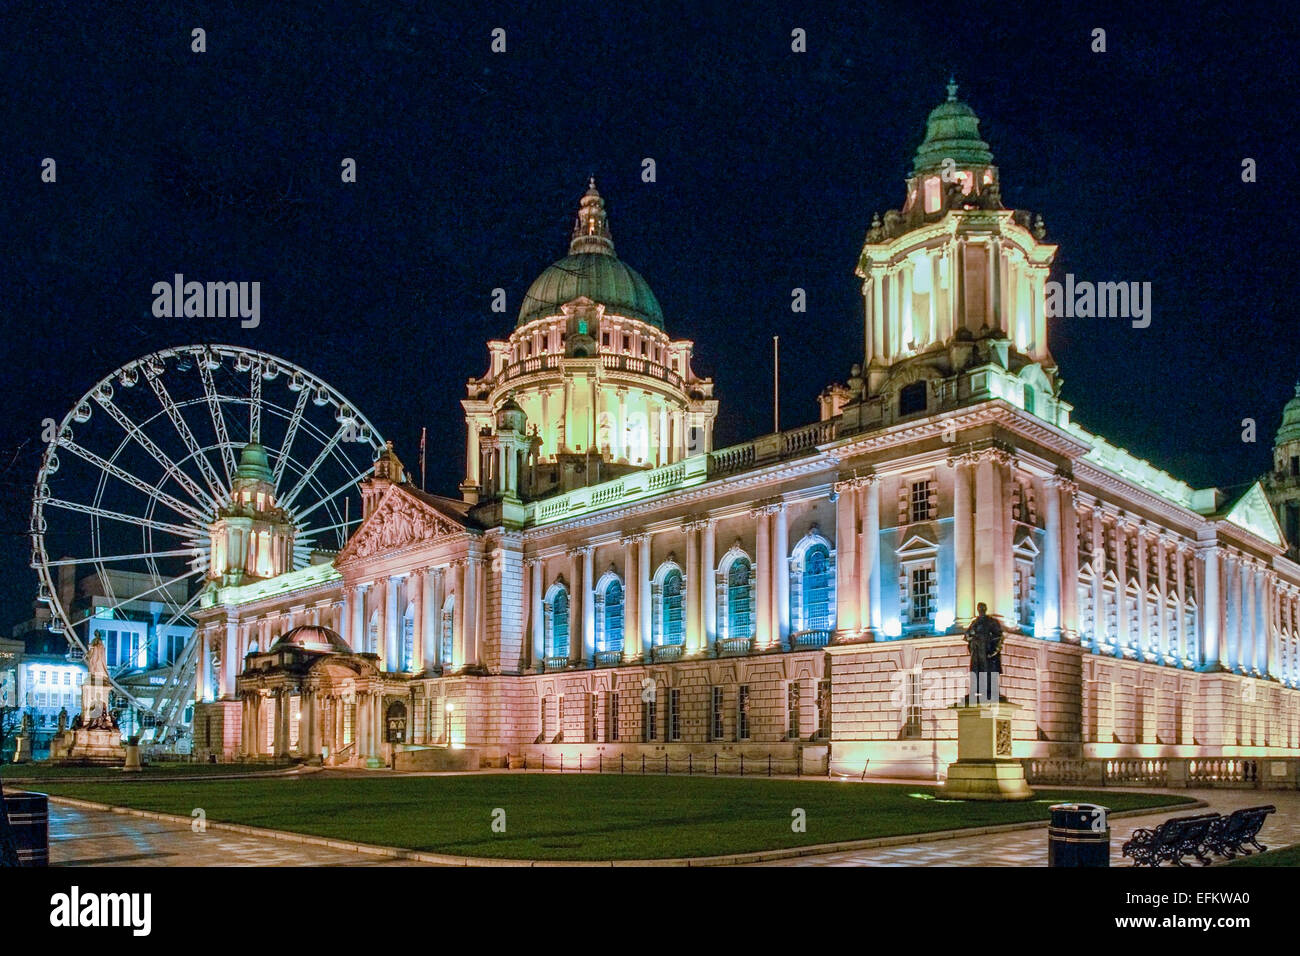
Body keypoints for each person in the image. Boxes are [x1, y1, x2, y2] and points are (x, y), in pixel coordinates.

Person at [964, 602, 1004, 703]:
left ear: (985, 609)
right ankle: (976, 691)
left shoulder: (991, 621)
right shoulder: (975, 622)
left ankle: (990, 691)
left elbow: (999, 636)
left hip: (987, 650)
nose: (981, 610)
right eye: (979, 608)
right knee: (976, 671)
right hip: (976, 650)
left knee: (989, 671)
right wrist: (971, 634)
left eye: (982, 608)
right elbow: (966, 636)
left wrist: (994, 650)